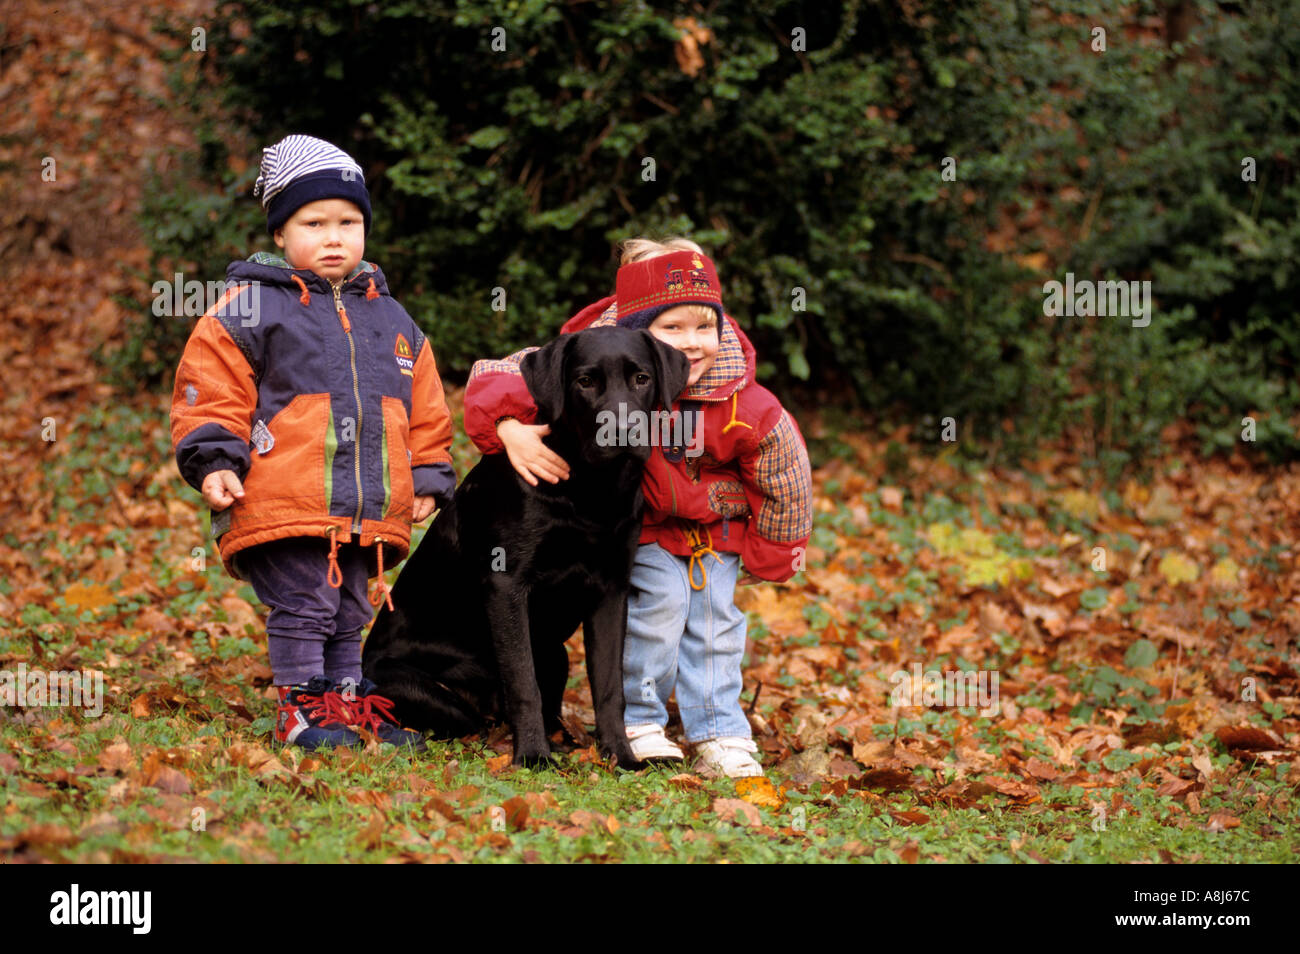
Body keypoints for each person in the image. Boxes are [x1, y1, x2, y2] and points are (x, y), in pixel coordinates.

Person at [464, 238, 812, 777]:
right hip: (648, 531)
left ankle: (719, 731)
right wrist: (506, 426)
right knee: (658, 612)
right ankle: (641, 722)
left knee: (717, 624)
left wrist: (774, 552)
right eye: (673, 328)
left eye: (705, 327)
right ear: (639, 328)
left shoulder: (744, 398)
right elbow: (503, 371)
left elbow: (784, 472)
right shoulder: (597, 348)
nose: (692, 344)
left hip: (711, 535)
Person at [170, 135, 455, 750]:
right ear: (279, 233)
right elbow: (212, 389)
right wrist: (215, 456)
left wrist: (430, 471)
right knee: (305, 602)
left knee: (350, 607)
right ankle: (300, 708)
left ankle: (344, 705)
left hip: (366, 502)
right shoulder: (247, 311)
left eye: (348, 222)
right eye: (313, 222)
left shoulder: (393, 318)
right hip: (281, 495)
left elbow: (424, 405)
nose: (334, 237)